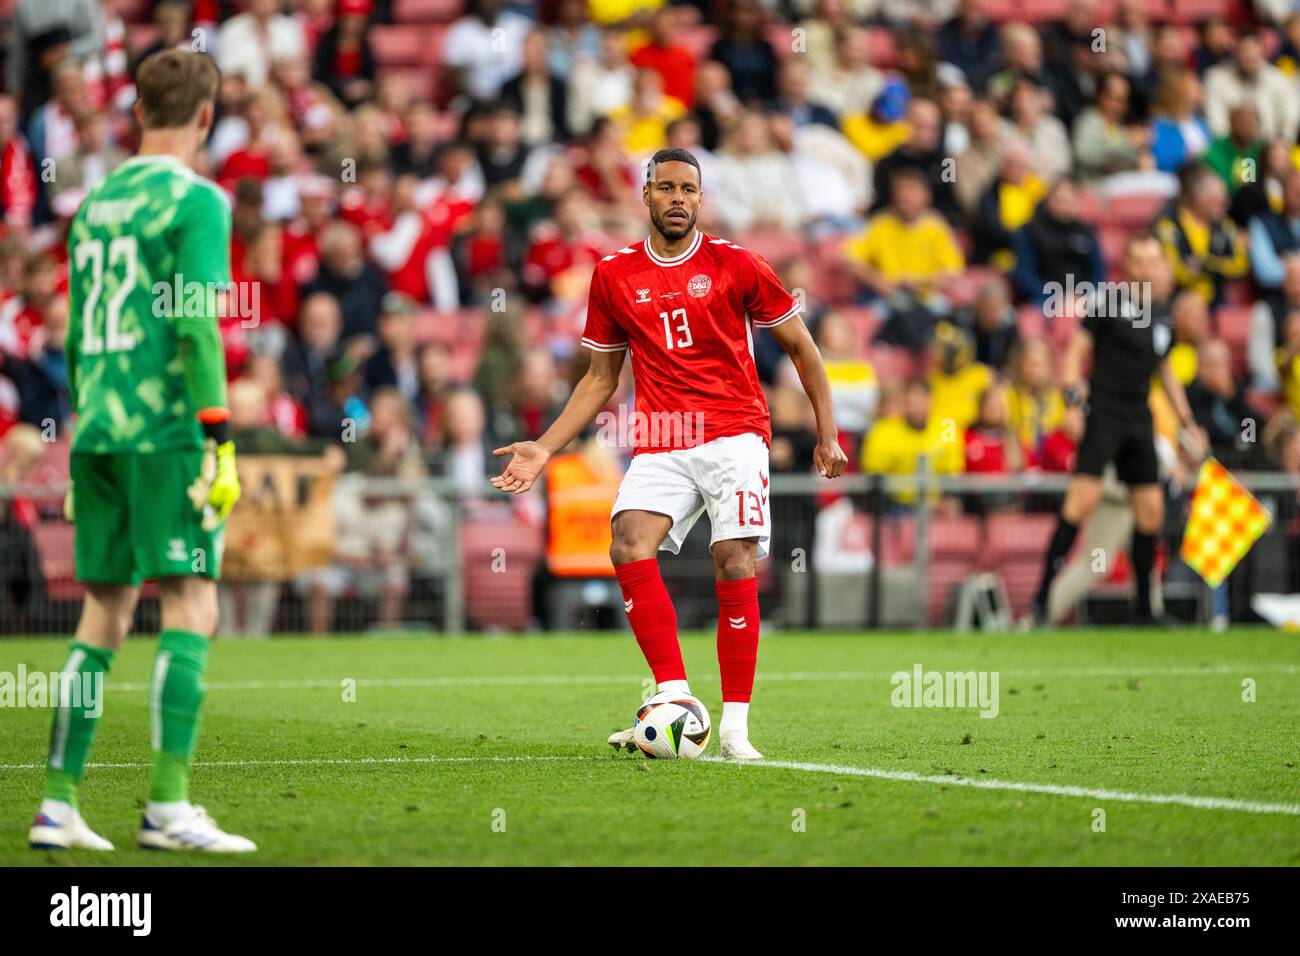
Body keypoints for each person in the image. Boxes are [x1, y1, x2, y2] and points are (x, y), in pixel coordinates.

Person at [491, 147, 847, 760]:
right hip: (663, 437)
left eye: (688, 188)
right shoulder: (613, 275)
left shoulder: (737, 264)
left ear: (700, 199)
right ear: (646, 196)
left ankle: (734, 729)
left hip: (735, 431)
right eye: (666, 188)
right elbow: (600, 380)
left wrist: (827, 433)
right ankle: (675, 699)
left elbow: (802, 346)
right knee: (627, 542)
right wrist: (546, 448)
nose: (678, 198)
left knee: (734, 559)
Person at [28, 51, 254, 853]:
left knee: (104, 610)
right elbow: (197, 319)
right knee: (192, 601)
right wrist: (218, 433)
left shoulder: (93, 205)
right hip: (166, 430)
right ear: (205, 115)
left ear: (136, 112)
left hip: (97, 429)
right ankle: (167, 808)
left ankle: (58, 804)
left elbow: (81, 331)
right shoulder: (199, 201)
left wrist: (84, 426)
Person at [1030, 233, 1207, 628]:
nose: (1147, 267)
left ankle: (1144, 608)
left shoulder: (1161, 312)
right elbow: (1076, 350)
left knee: (1150, 512)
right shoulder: (1108, 302)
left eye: (1153, 259)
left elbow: (1165, 371)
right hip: (1105, 414)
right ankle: (1042, 600)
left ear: (1162, 264)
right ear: (1127, 266)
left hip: (1138, 418)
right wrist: (1072, 401)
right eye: (1139, 259)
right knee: (1079, 504)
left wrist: (1188, 422)